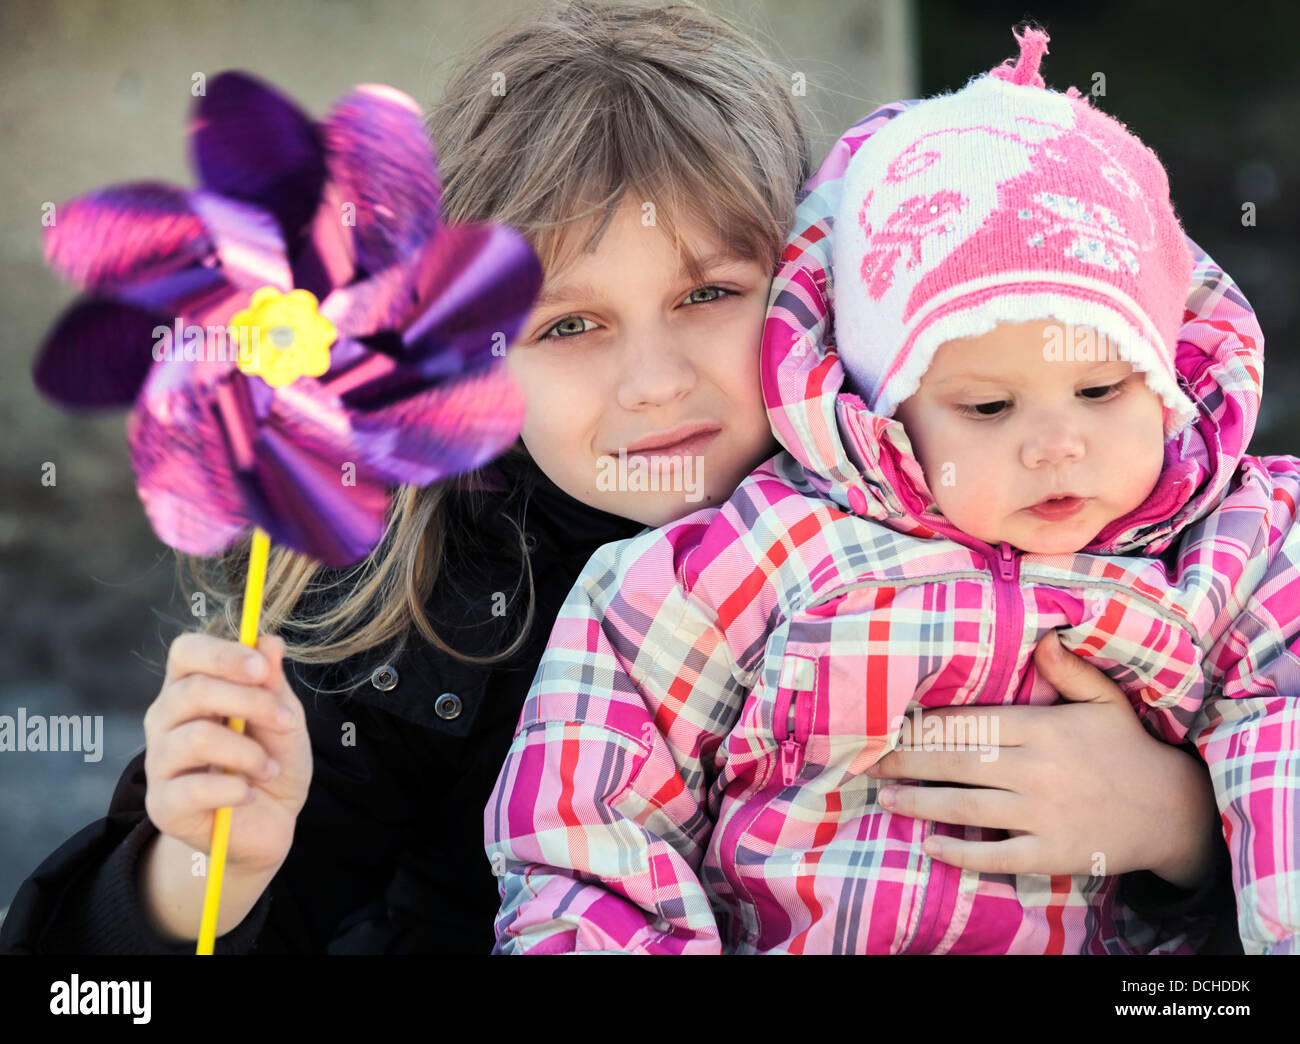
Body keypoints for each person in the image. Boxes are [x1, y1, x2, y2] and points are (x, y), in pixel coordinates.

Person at [0, 6, 1233, 956]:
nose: (653, 381)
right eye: (568, 327)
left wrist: (1182, 828)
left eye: (707, 295)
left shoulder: (1025, 487)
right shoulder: (419, 612)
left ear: (821, 283)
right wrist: (185, 883)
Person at [483, 26, 1295, 954]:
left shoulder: (1237, 549)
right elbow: (587, 847)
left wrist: (1185, 826)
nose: (1058, 446)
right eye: (986, 405)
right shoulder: (741, 563)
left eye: (1105, 389)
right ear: (882, 400)